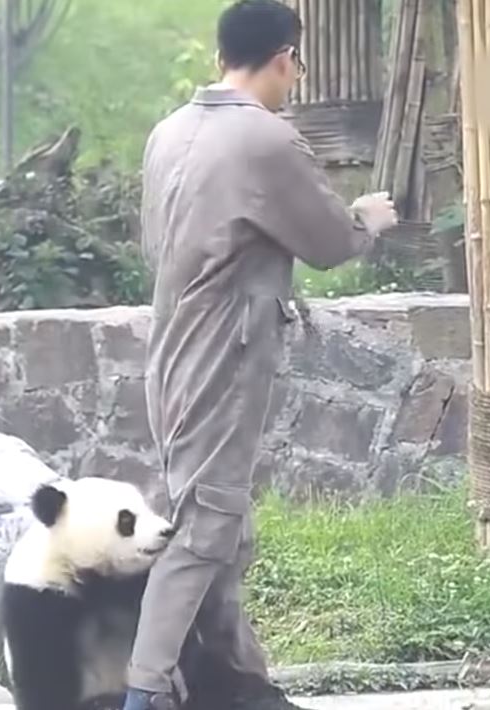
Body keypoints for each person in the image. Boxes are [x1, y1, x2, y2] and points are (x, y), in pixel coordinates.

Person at [124, 2, 398, 709]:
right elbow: (329, 243)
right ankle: (144, 689)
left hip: (172, 346)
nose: (296, 78)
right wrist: (368, 218)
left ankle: (240, 683)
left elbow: (158, 246)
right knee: (206, 522)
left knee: (220, 521)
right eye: (297, 65)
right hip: (224, 350)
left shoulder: (167, 132)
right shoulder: (265, 140)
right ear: (283, 57)